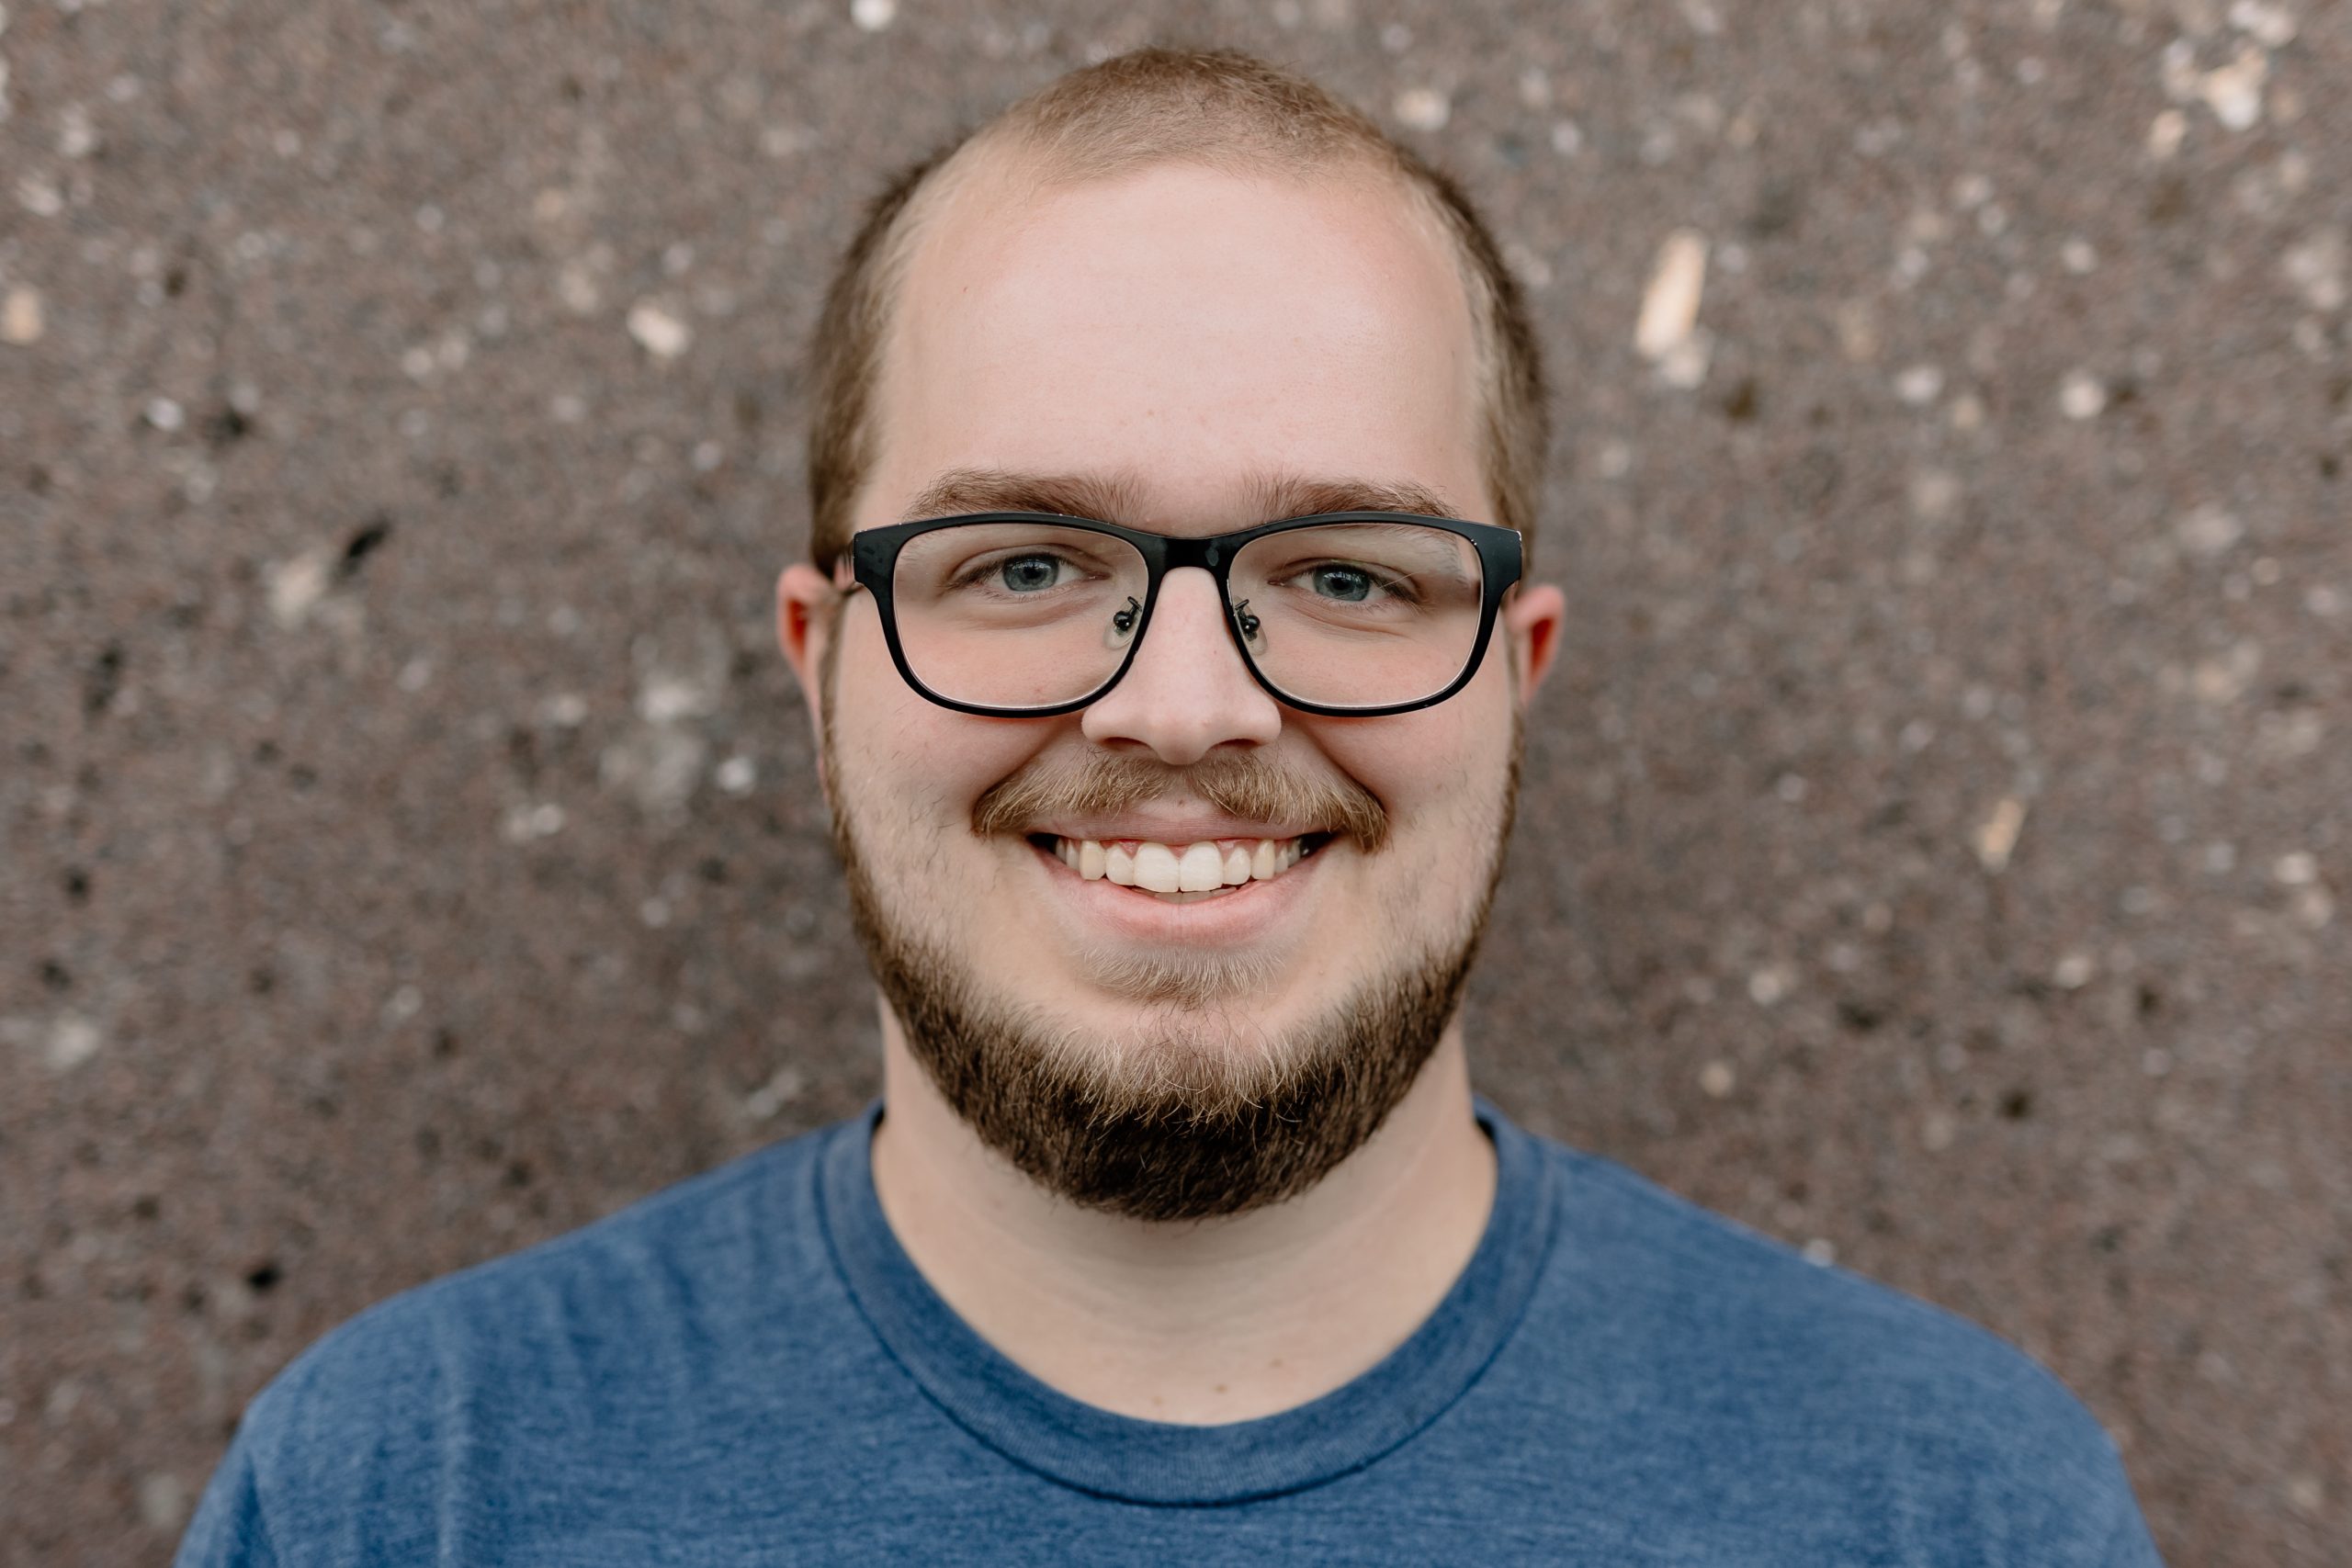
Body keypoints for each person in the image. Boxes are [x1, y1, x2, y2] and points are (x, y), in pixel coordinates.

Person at [178, 47, 2161, 1564]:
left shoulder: (1950, 1513)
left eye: (1349, 572)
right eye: (1027, 564)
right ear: (822, 664)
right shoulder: (407, 1495)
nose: (1187, 705)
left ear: (1516, 676)